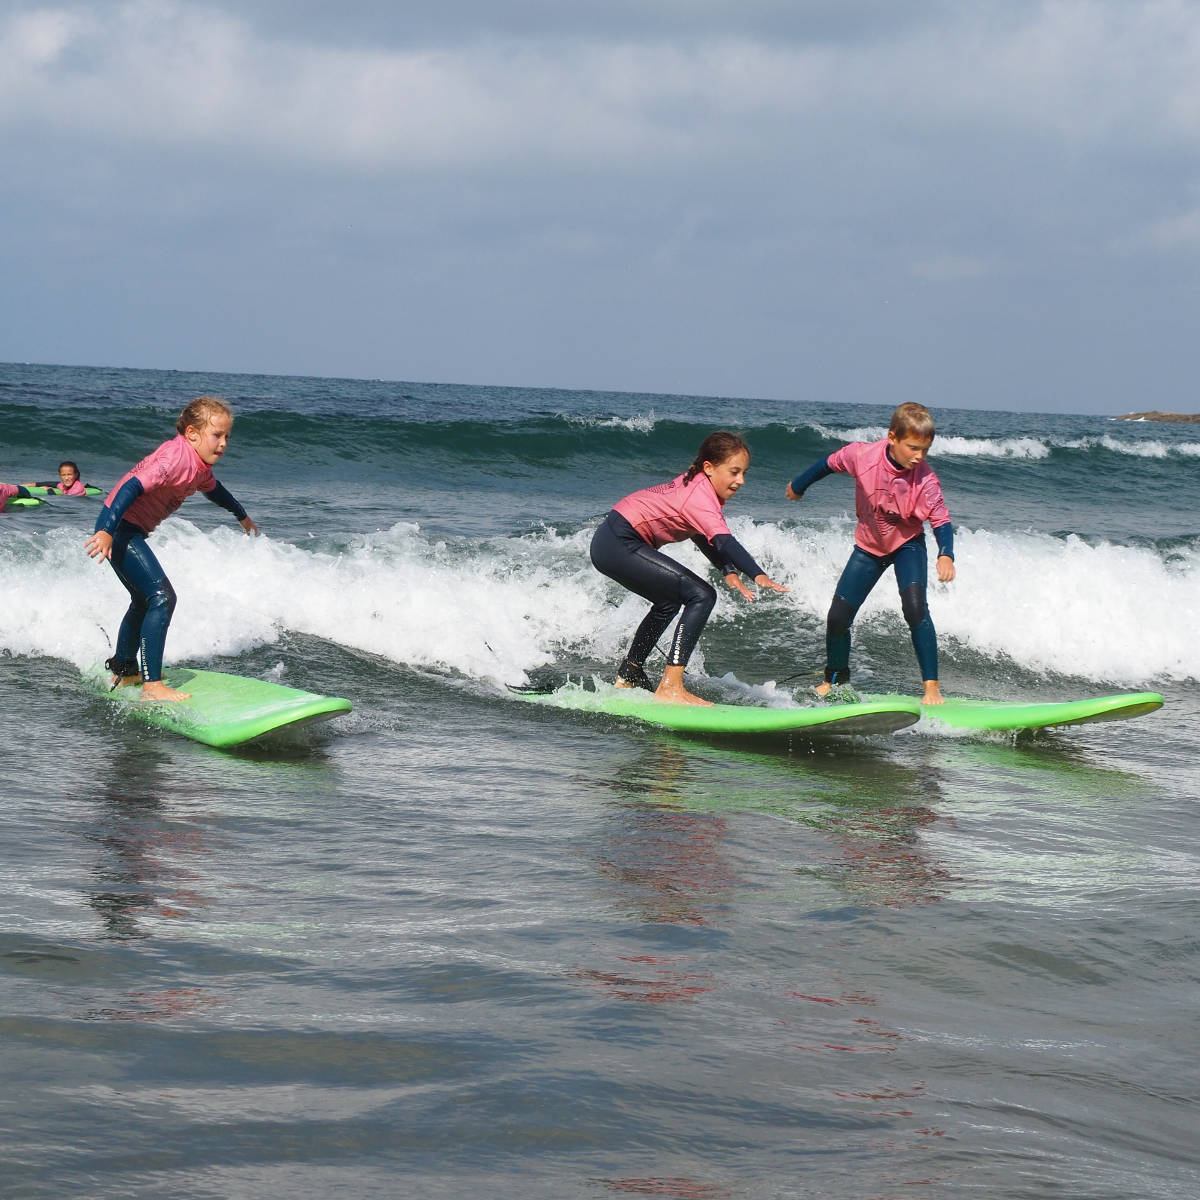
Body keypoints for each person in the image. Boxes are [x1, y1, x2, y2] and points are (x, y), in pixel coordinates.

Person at [590, 430, 788, 706]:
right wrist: (758, 573)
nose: (740, 480)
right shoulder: (700, 496)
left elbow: (700, 534)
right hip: (619, 541)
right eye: (734, 472)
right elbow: (724, 541)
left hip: (611, 541)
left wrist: (727, 569)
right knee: (702, 595)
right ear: (709, 467)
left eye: (744, 473)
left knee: (668, 602)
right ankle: (670, 687)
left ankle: (629, 674)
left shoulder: (697, 486)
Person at [84, 396, 259, 702]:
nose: (223, 443)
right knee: (162, 598)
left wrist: (241, 515)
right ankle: (152, 687)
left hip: (127, 528)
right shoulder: (175, 459)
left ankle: (125, 669)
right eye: (217, 435)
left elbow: (215, 491)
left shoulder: (199, 466)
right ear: (192, 433)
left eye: (227, 437)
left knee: (143, 599)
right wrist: (106, 531)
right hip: (120, 526)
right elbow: (131, 487)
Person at [786, 401, 955, 705]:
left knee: (915, 609)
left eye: (925, 450)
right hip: (869, 546)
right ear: (892, 437)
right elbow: (828, 463)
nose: (919, 457)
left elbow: (941, 520)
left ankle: (932, 688)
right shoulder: (861, 456)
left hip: (908, 544)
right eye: (913, 447)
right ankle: (835, 681)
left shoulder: (926, 480)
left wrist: (946, 554)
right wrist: (798, 485)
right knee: (838, 617)